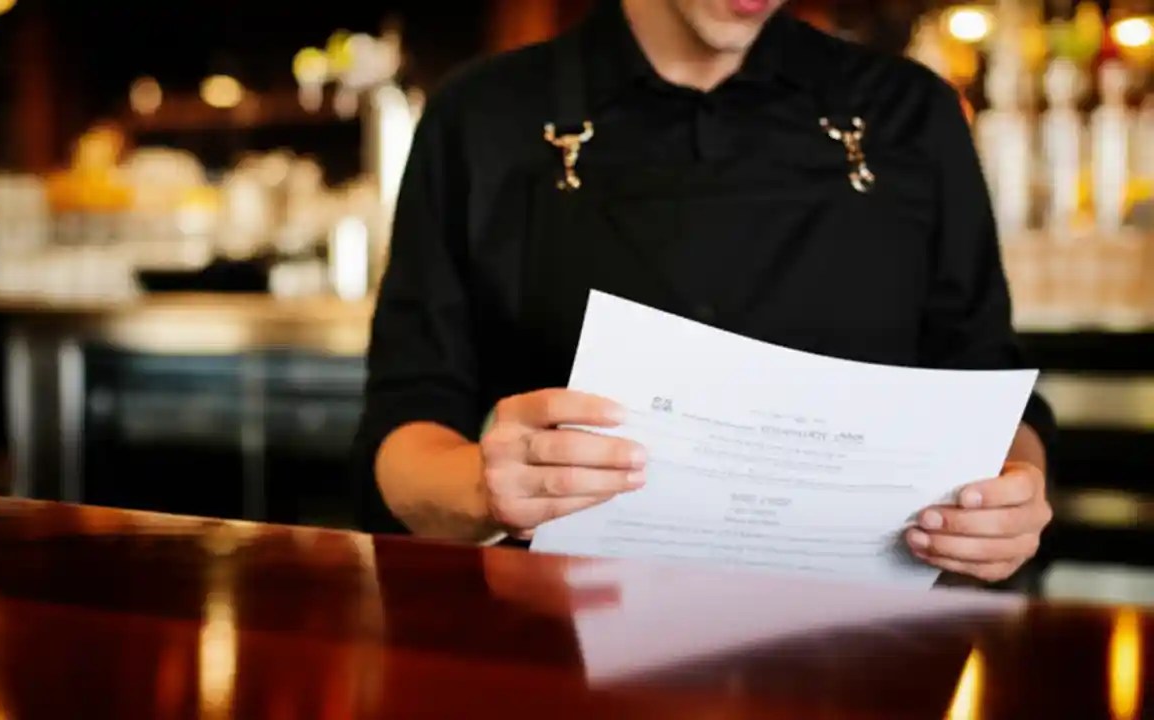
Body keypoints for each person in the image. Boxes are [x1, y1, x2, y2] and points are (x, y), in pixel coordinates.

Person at [352, 0, 1055, 585]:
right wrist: (481, 487)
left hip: (855, 668)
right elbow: (404, 430)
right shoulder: (481, 117)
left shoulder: (911, 114)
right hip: (555, 664)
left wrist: (1014, 493)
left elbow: (989, 384)